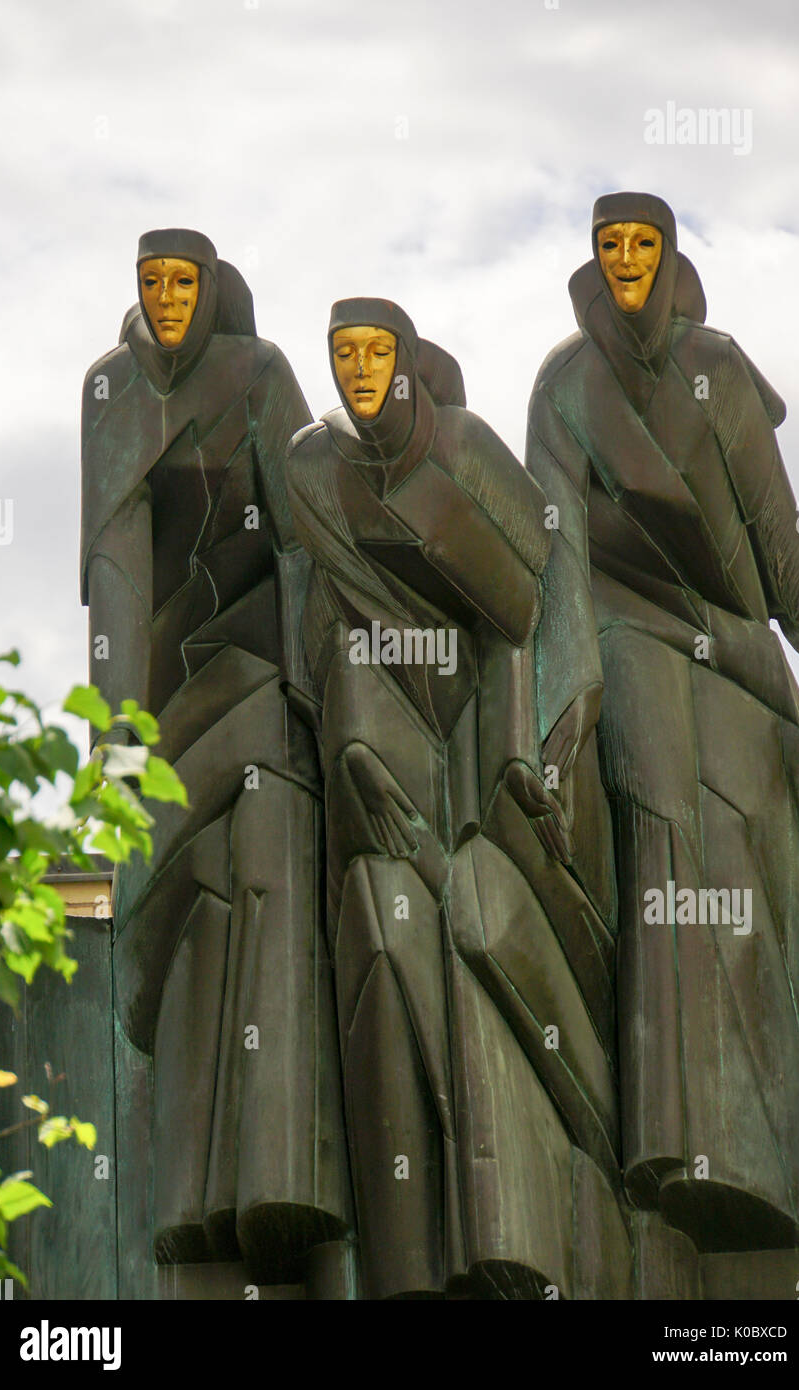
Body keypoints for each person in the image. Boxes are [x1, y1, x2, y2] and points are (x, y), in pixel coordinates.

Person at [285, 297, 629, 1298]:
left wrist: (525, 755)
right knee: (388, 940)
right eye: (341, 352)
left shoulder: (469, 447)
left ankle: (509, 1229)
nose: (356, 368)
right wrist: (355, 740)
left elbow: (530, 602)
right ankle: (405, 1262)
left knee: (476, 944)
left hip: (487, 734)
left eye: (375, 351)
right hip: (383, 744)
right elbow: (339, 632)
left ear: (406, 364)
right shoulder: (312, 470)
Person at [526, 191, 799, 1255]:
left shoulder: (718, 366)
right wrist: (564, 695)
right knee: (659, 806)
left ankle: (762, 1142)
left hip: (728, 633)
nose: (623, 260)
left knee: (753, 841)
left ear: (667, 258)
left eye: (640, 244)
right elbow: (554, 546)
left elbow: (765, 503)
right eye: (607, 244)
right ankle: (671, 1132)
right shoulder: (565, 383)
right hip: (622, 625)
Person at [80, 228, 352, 1283]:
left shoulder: (261, 374)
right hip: (166, 702)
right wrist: (114, 732)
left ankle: (286, 1174)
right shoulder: (111, 390)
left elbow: (300, 538)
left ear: (210, 289)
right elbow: (114, 557)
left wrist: (310, 690)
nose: (167, 298)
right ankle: (196, 1194)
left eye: (183, 280)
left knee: (269, 874)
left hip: (261, 669)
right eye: (150, 282)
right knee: (186, 911)